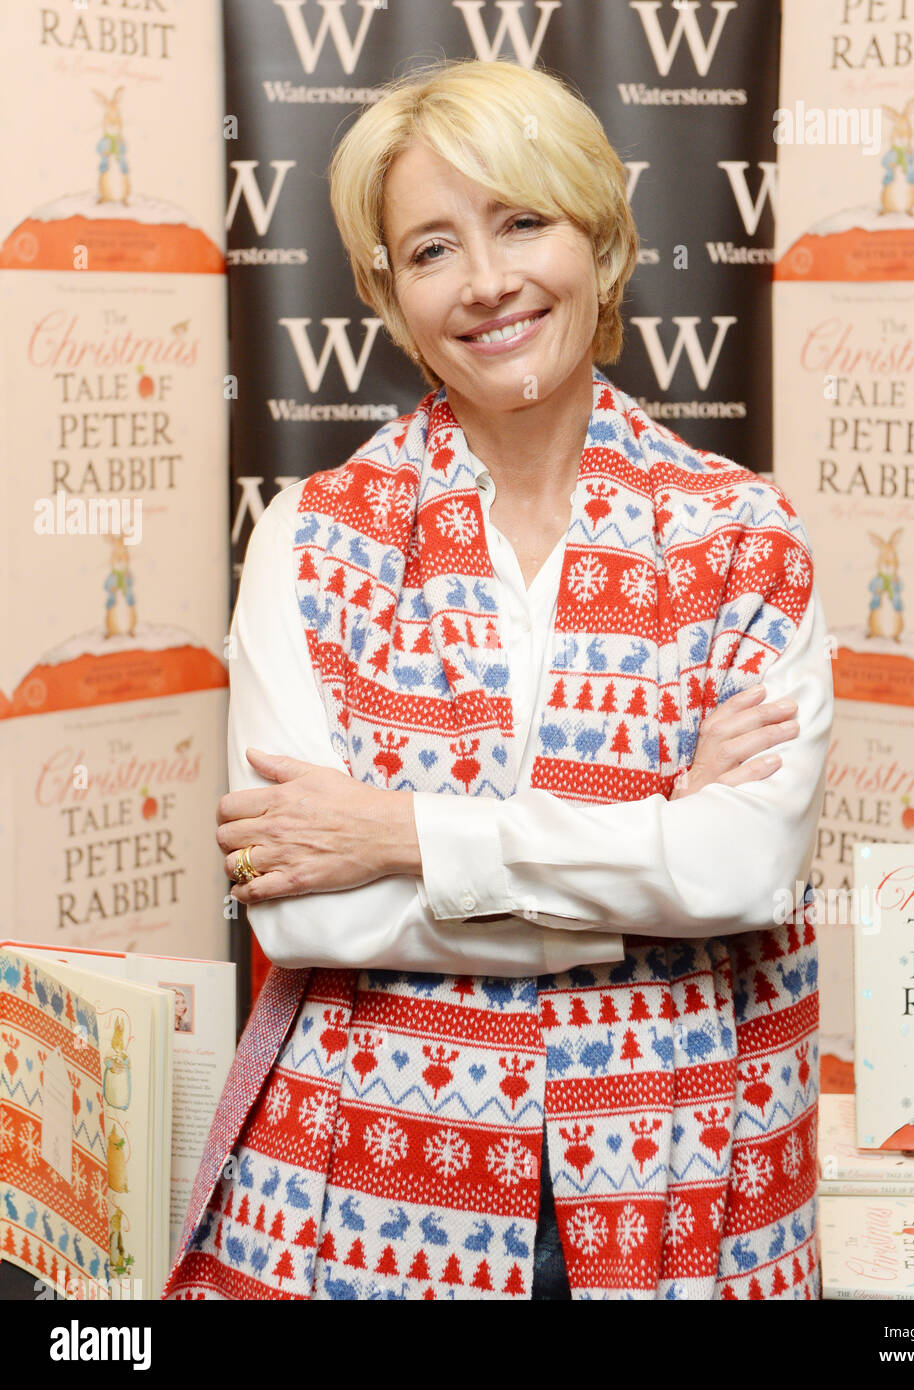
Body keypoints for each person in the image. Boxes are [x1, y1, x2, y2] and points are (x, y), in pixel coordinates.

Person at [164, 57, 833, 1302]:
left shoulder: (743, 536)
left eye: (521, 221)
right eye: (429, 248)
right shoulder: (311, 535)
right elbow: (308, 917)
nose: (484, 282)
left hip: (685, 1181)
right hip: (359, 1200)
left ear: (602, 235)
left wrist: (398, 830)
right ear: (387, 292)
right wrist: (652, 862)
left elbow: (746, 873)